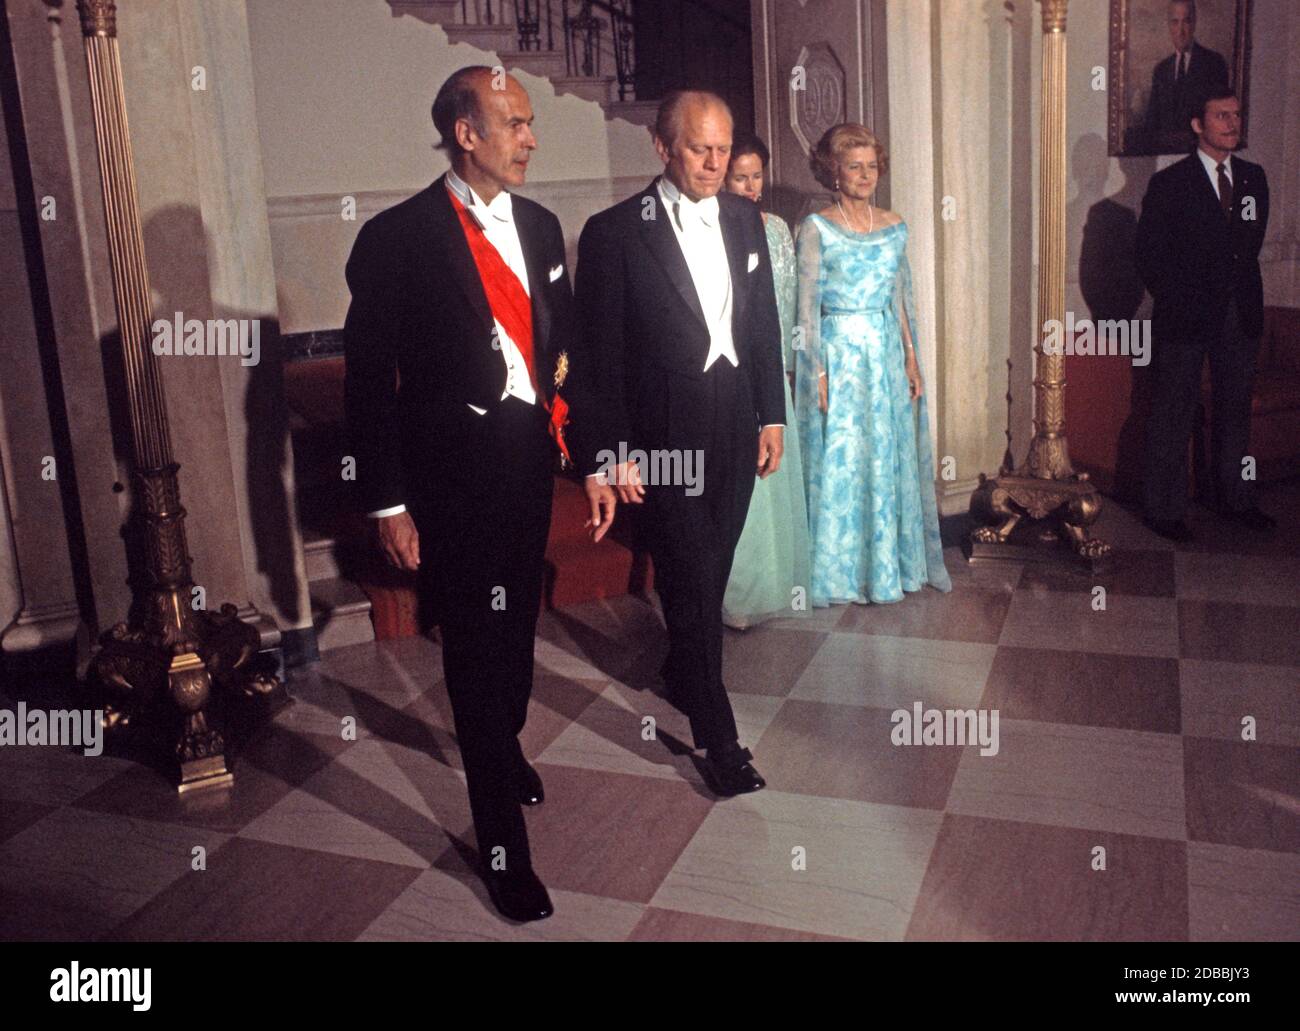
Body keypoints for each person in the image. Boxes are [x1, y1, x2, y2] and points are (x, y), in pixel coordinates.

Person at [342, 67, 617, 923]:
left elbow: (566, 352)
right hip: (449, 485)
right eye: (515, 124)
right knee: (474, 648)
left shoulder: (539, 226)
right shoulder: (398, 238)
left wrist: (597, 457)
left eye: (531, 124)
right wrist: (387, 502)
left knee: (514, 636)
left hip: (527, 469)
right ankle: (502, 846)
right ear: (467, 133)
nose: (532, 138)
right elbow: (366, 385)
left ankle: (500, 742)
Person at [568, 91, 785, 796]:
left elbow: (760, 326)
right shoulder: (615, 233)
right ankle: (719, 740)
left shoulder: (746, 218)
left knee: (711, 567)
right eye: (700, 147)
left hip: (735, 423)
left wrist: (771, 414)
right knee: (691, 577)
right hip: (663, 438)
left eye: (724, 147)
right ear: (662, 148)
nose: (717, 162)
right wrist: (611, 450)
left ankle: (681, 667)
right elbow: (596, 359)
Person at [795, 123, 950, 605]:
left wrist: (910, 358)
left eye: (872, 166)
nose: (866, 175)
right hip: (839, 356)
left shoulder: (895, 225)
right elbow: (805, 308)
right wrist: (815, 371)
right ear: (833, 172)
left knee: (885, 458)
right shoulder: (816, 228)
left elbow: (899, 299)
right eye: (854, 166)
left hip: (883, 356)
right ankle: (840, 574)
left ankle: (887, 568)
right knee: (844, 463)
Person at [1135, 89, 1273, 540]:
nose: (1232, 123)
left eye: (1236, 114)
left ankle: (1235, 498)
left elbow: (1247, 247)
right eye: (1221, 116)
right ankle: (1164, 510)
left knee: (1235, 413)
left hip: (1240, 315)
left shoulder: (1253, 178)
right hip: (1186, 318)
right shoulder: (1170, 184)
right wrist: (1184, 298)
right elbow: (1150, 258)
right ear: (1198, 124)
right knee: (1173, 412)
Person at [720, 132, 812, 628]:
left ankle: (772, 583)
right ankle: (735, 592)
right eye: (741, 176)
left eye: (757, 176)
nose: (751, 186)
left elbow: (792, 298)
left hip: (772, 367)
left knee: (772, 474)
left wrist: (791, 365)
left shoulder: (777, 229)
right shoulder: (714, 225)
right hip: (731, 370)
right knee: (741, 482)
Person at [1141, 0, 1228, 153]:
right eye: (1175, 22)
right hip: (1165, 158)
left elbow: (1219, 119)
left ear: (1194, 23)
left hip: (1201, 157)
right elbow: (1152, 123)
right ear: (1169, 25)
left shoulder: (1213, 64)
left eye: (1186, 21)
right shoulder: (1161, 71)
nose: (1180, 30)